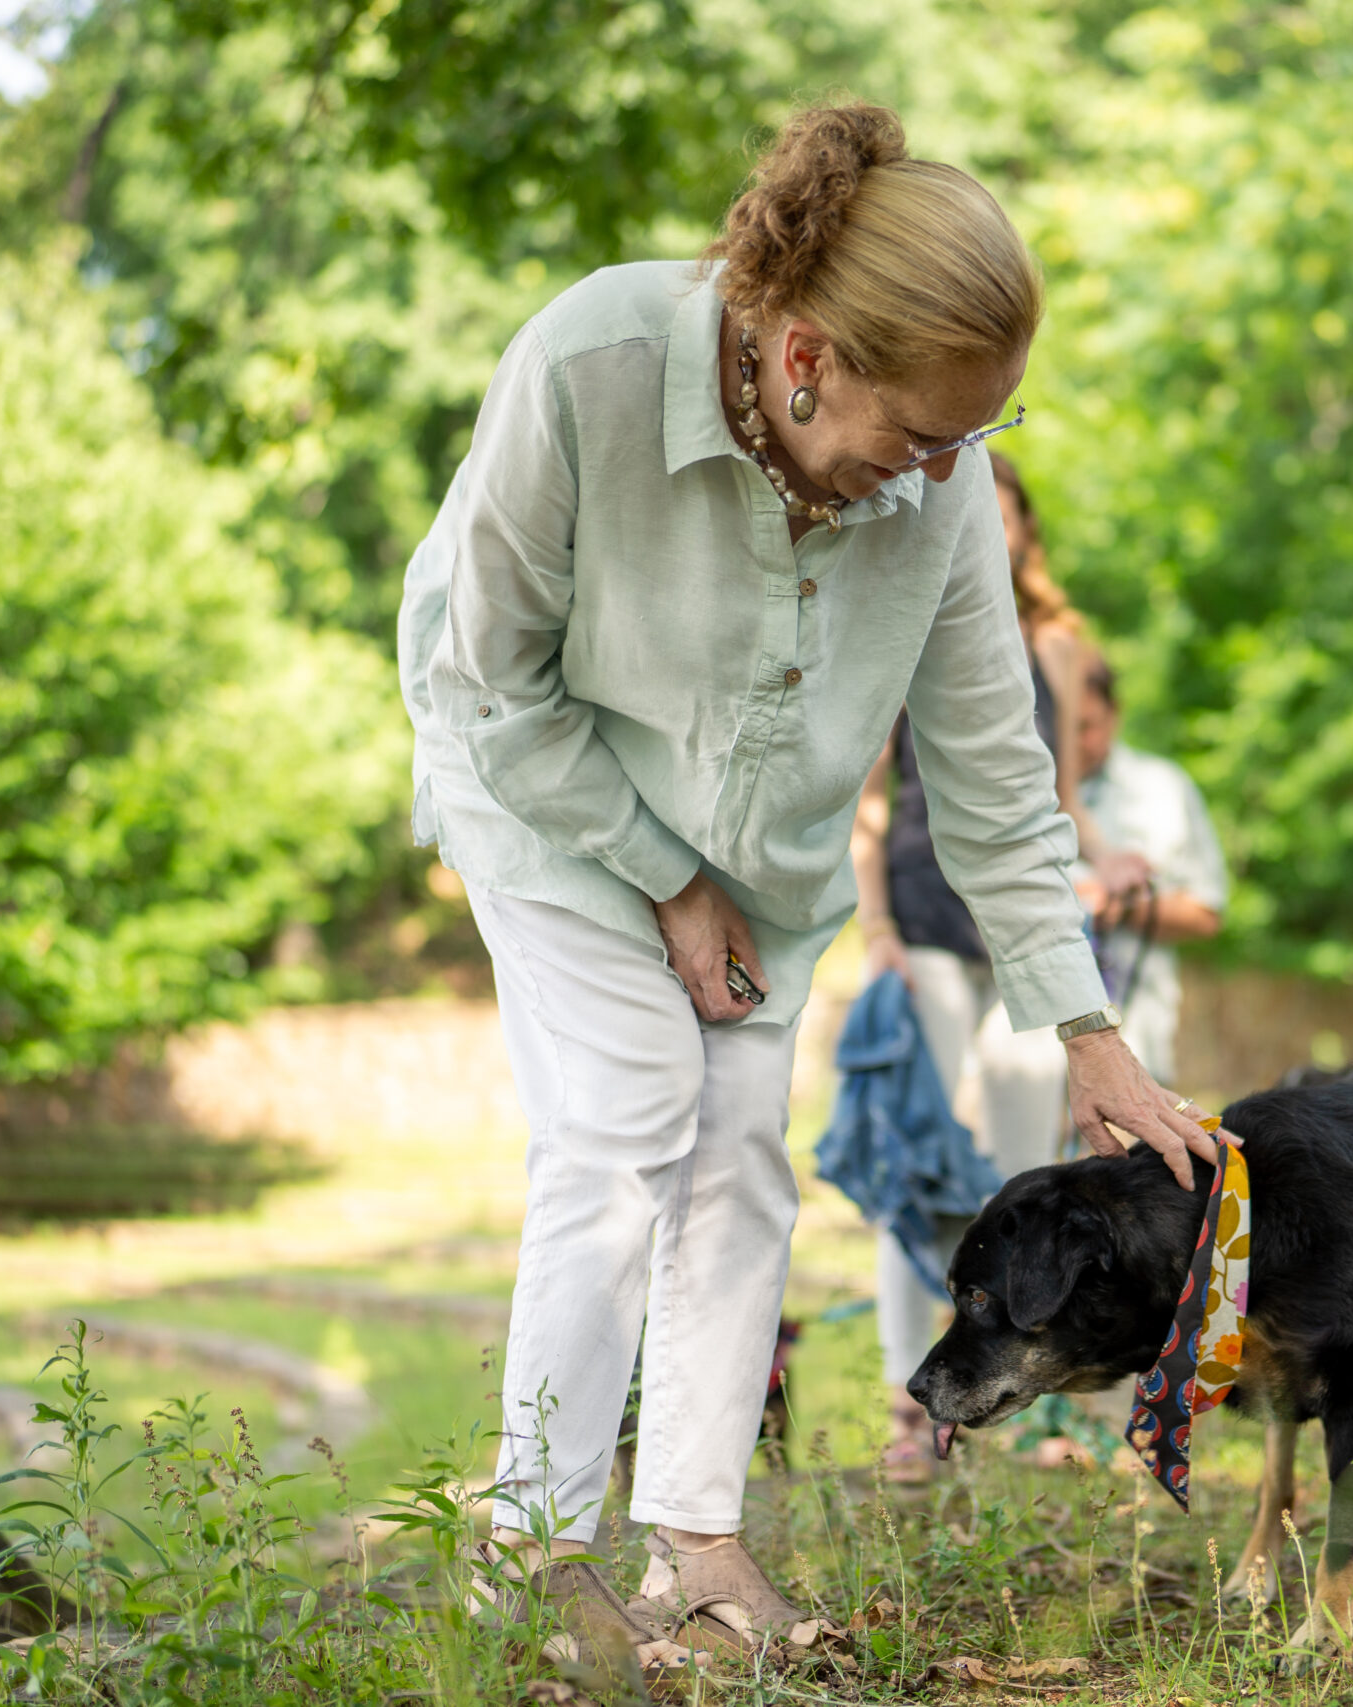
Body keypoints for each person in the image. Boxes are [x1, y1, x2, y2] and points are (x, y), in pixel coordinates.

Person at [394, 102, 1216, 1667]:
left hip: (758, 830)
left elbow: (991, 777)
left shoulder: (943, 486)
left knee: (738, 1158)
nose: (947, 469)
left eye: (981, 437)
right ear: (807, 354)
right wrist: (657, 876)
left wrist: (1089, 1032)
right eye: (921, 433)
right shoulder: (588, 367)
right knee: (628, 1111)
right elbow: (492, 684)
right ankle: (534, 1549)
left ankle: (699, 1547)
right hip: (547, 779)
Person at [846, 454, 1141, 1479]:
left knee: (1024, 1183)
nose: (989, 527)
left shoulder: (1055, 649)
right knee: (921, 1172)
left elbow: (1056, 793)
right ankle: (906, 1407)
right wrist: (874, 924)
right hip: (923, 918)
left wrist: (1106, 862)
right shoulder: (894, 609)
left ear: (1022, 530)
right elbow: (869, 799)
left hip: (1018, 925)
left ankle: (1039, 1395)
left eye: (1005, 513)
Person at [1072, 658, 1227, 1083]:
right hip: (1025, 1054)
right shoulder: (1014, 795)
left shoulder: (1163, 789)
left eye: (1086, 726)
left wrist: (1119, 906)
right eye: (1061, 726)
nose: (1074, 742)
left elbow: (1207, 913)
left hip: (1137, 1035)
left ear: (1114, 714)